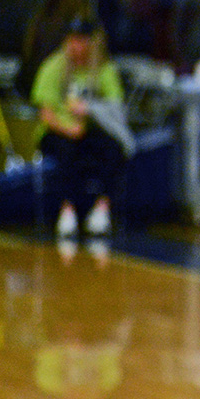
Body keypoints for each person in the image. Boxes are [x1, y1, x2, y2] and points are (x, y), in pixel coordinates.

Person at [31, 16, 131, 237]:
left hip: (90, 129)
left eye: (82, 40)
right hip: (58, 130)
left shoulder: (104, 69)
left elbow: (115, 106)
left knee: (114, 149)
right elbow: (45, 114)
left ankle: (102, 208)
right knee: (66, 151)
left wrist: (90, 111)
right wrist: (69, 129)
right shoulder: (53, 67)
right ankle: (67, 210)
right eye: (73, 39)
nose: (76, 46)